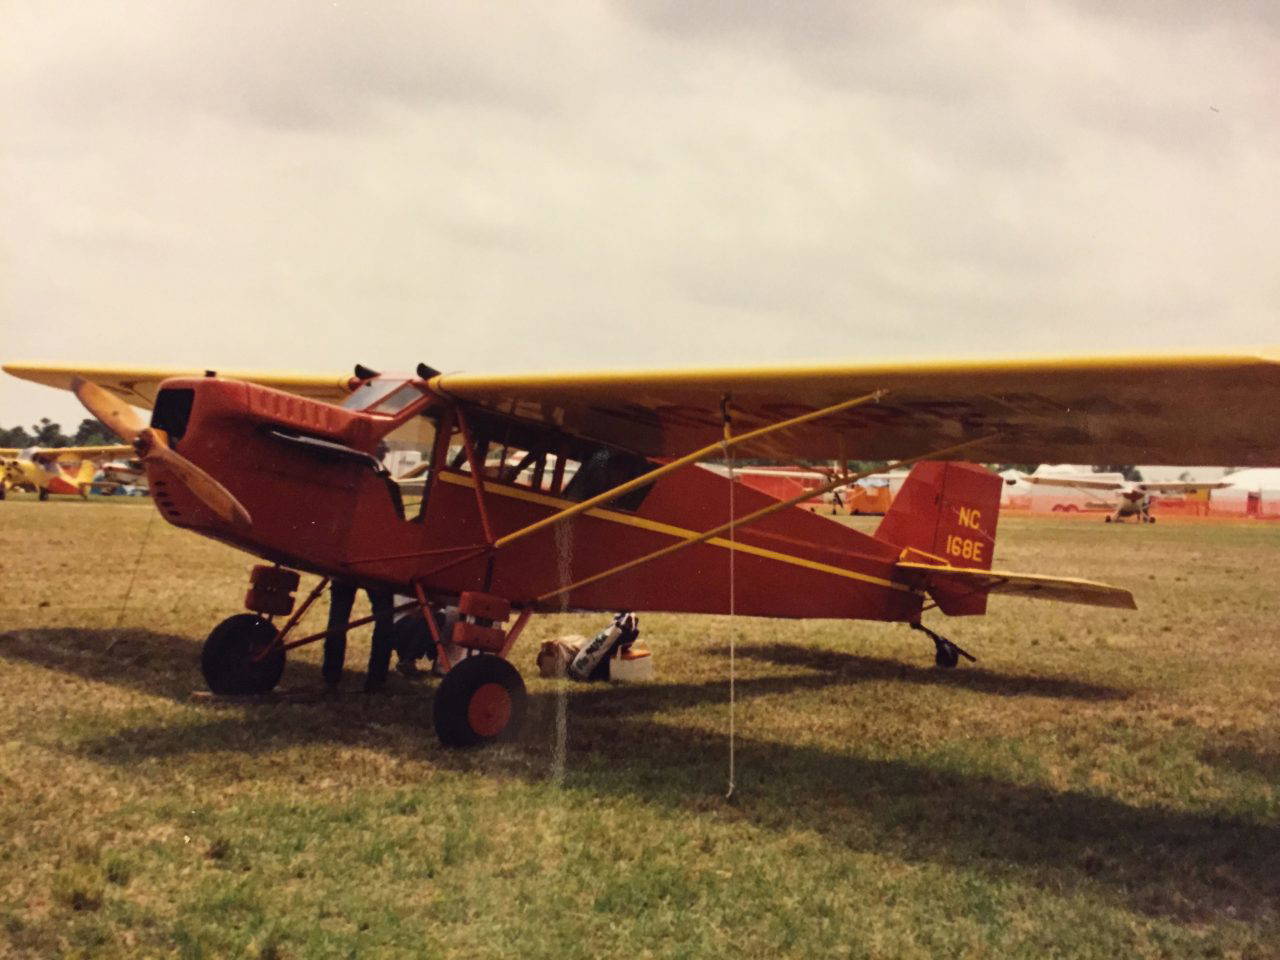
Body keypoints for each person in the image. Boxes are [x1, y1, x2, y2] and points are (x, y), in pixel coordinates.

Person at [322, 577, 397, 693]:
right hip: (377, 569)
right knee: (384, 620)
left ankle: (330, 677)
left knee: (338, 617)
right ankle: (376, 680)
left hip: (347, 566)